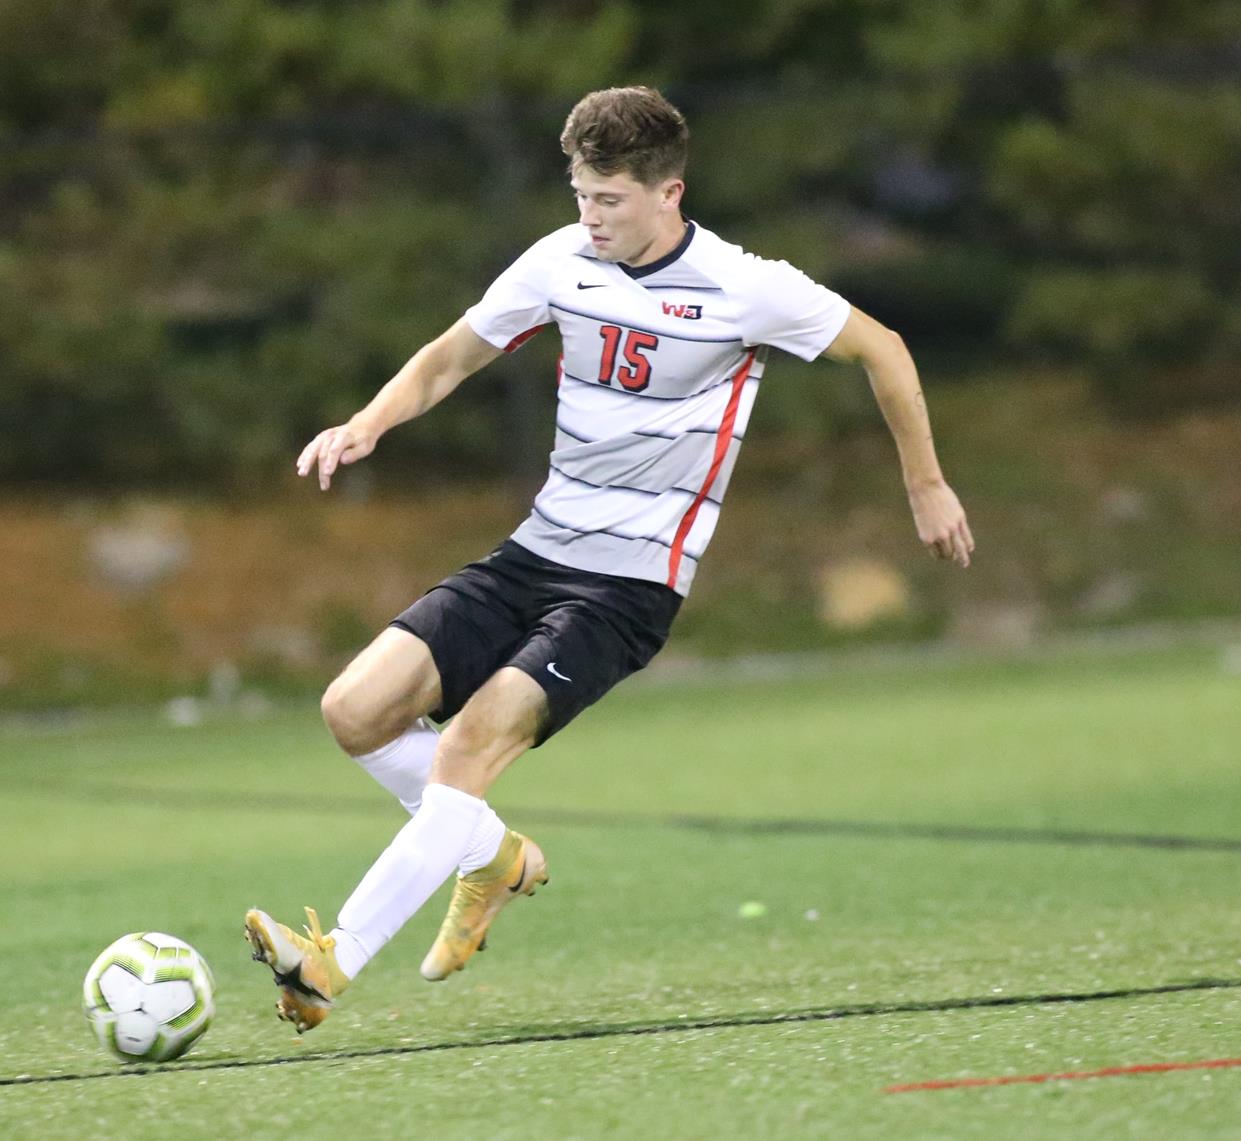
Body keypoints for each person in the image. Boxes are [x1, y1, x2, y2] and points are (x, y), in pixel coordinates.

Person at [243, 85, 974, 1033]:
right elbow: (451, 355)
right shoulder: (559, 260)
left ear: (670, 192)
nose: (590, 216)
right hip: (536, 551)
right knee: (355, 709)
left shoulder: (748, 287)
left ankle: (332, 963)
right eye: (582, 194)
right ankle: (494, 857)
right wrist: (367, 422)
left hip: (630, 584)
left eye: (610, 200)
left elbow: (887, 351)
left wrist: (924, 483)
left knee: (467, 748)